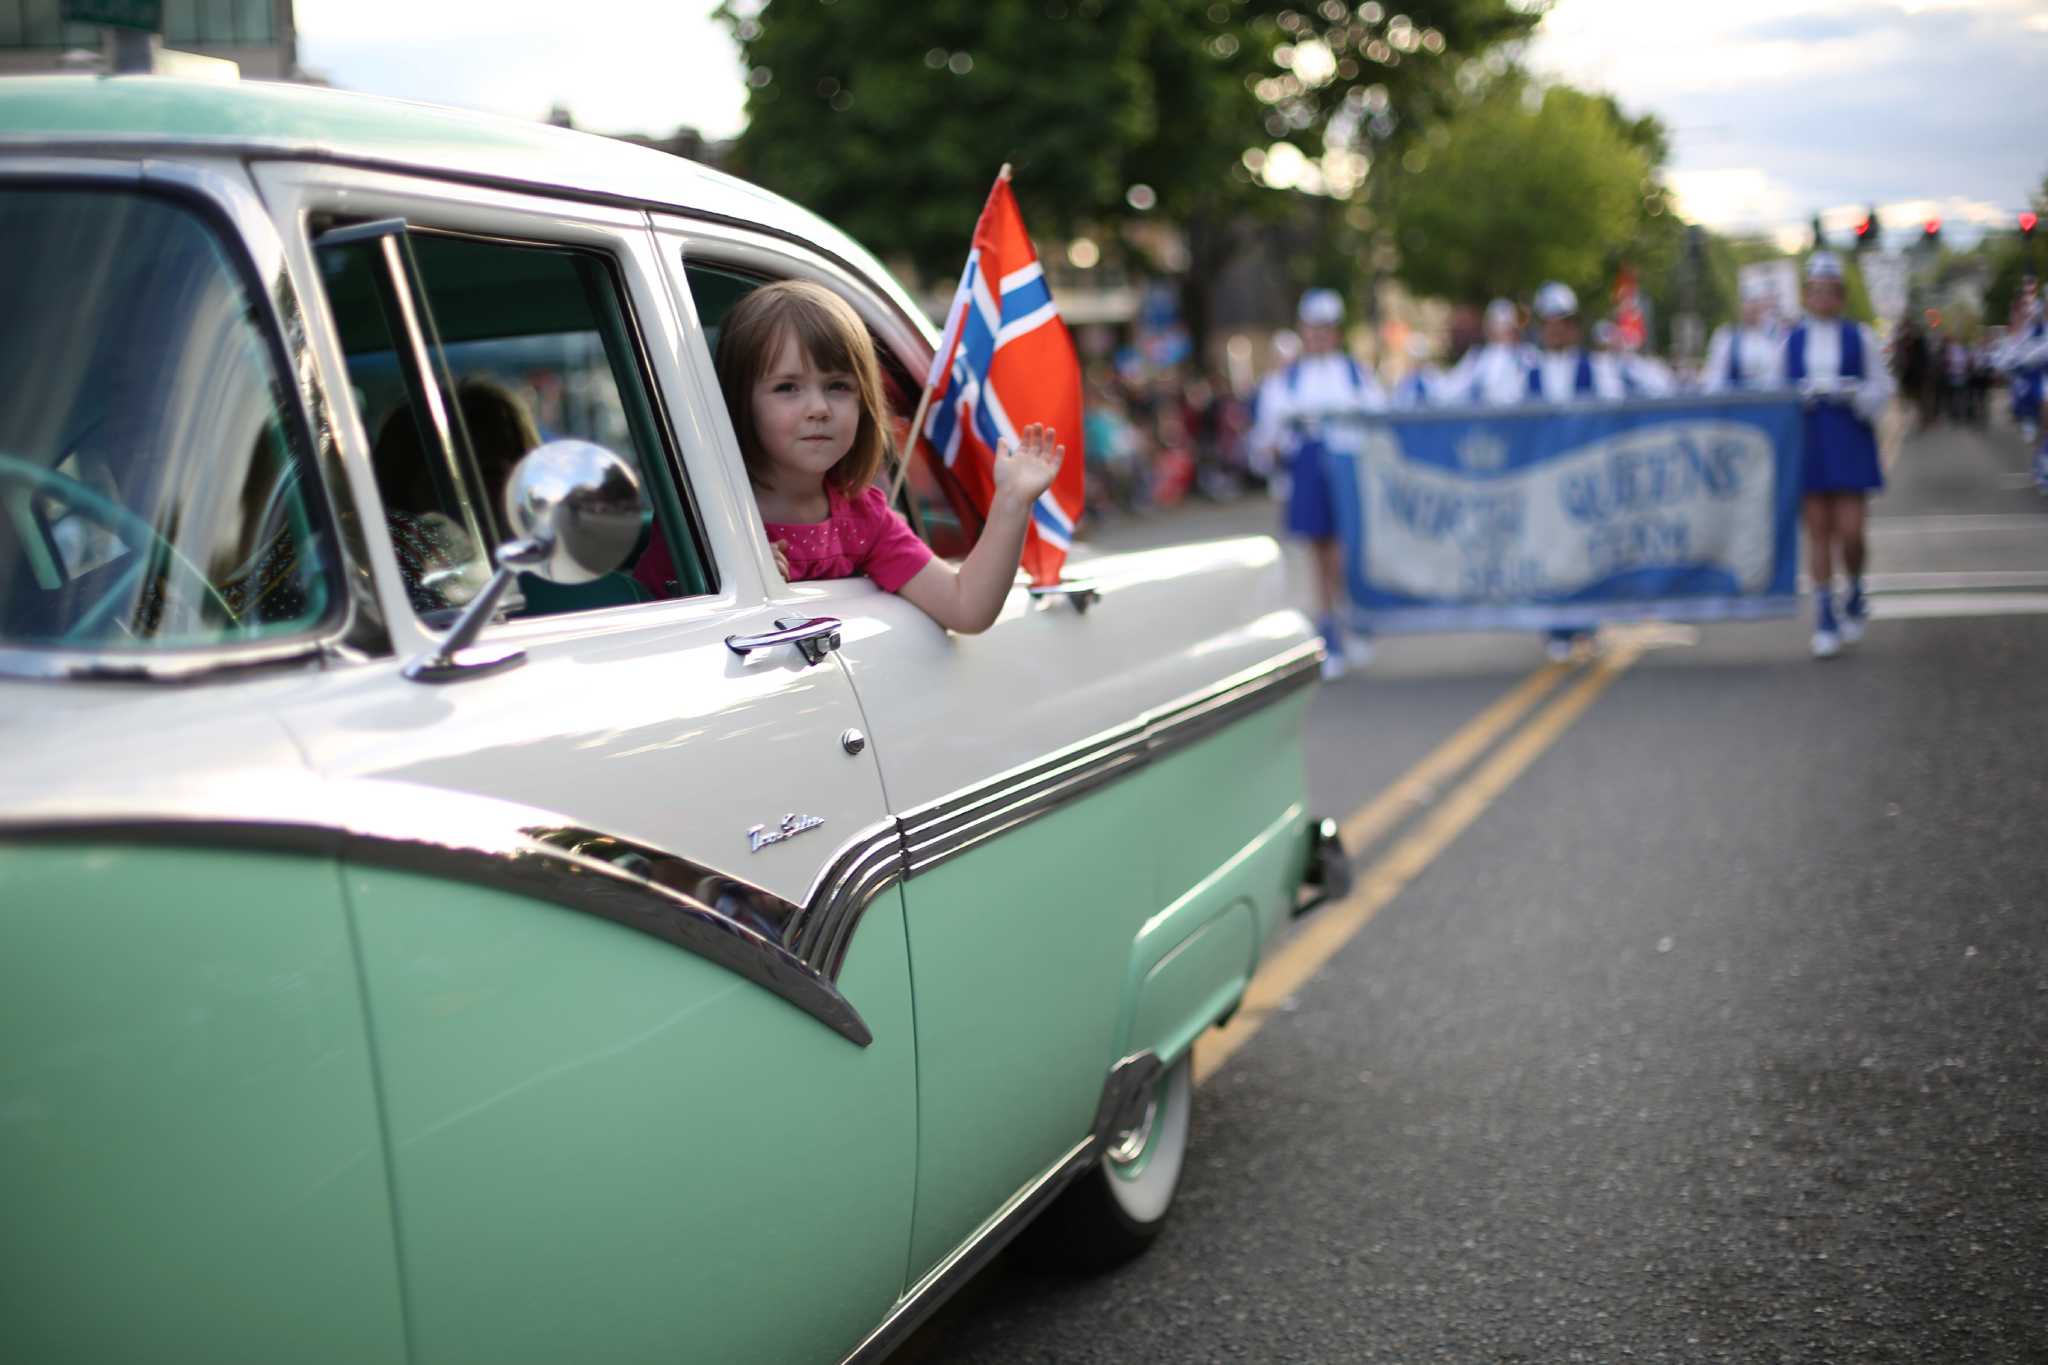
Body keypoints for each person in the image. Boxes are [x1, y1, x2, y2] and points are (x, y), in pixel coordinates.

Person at [718, 279, 1061, 634]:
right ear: (741, 401)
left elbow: (965, 607)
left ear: (864, 401)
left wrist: (1012, 502)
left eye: (838, 386)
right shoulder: (709, 514)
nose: (818, 409)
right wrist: (731, 572)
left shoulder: (864, 518)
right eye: (786, 387)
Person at [1249, 287, 1386, 677]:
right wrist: (1272, 449)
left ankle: (1350, 618)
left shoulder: (1353, 373)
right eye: (1313, 329)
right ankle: (1329, 626)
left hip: (1346, 464)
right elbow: (1267, 435)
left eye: (1326, 329)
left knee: (1345, 550)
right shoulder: (1287, 379)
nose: (1319, 337)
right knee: (1319, 551)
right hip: (1308, 466)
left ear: (1336, 333)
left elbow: (1377, 417)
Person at [1784, 252, 1891, 659]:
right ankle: (1825, 615)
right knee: (1819, 532)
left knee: (1851, 530)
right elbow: (1777, 393)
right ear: (1807, 295)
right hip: (1811, 439)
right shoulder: (1791, 340)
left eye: (1831, 291)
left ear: (1840, 296)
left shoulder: (1859, 337)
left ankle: (1856, 587)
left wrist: (1854, 393)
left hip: (1848, 437)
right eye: (1816, 291)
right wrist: (1801, 395)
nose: (1823, 298)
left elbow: (1882, 388)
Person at [1436, 298, 1535, 406]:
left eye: (1504, 325)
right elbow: (1450, 390)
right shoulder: (1476, 357)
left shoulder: (1527, 354)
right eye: (1496, 324)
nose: (1500, 331)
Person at [1701, 279, 1786, 393]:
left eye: (1756, 302)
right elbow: (1714, 376)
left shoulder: (1777, 336)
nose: (1752, 308)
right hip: (1737, 404)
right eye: (1748, 302)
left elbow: (1782, 374)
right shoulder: (1726, 336)